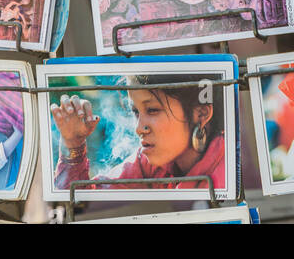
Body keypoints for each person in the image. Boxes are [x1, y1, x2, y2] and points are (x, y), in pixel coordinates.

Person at [50, 80, 224, 194]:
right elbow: (81, 200)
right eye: (135, 112)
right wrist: (73, 144)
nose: (138, 129)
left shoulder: (226, 172)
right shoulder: (147, 165)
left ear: (200, 114)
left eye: (153, 110)